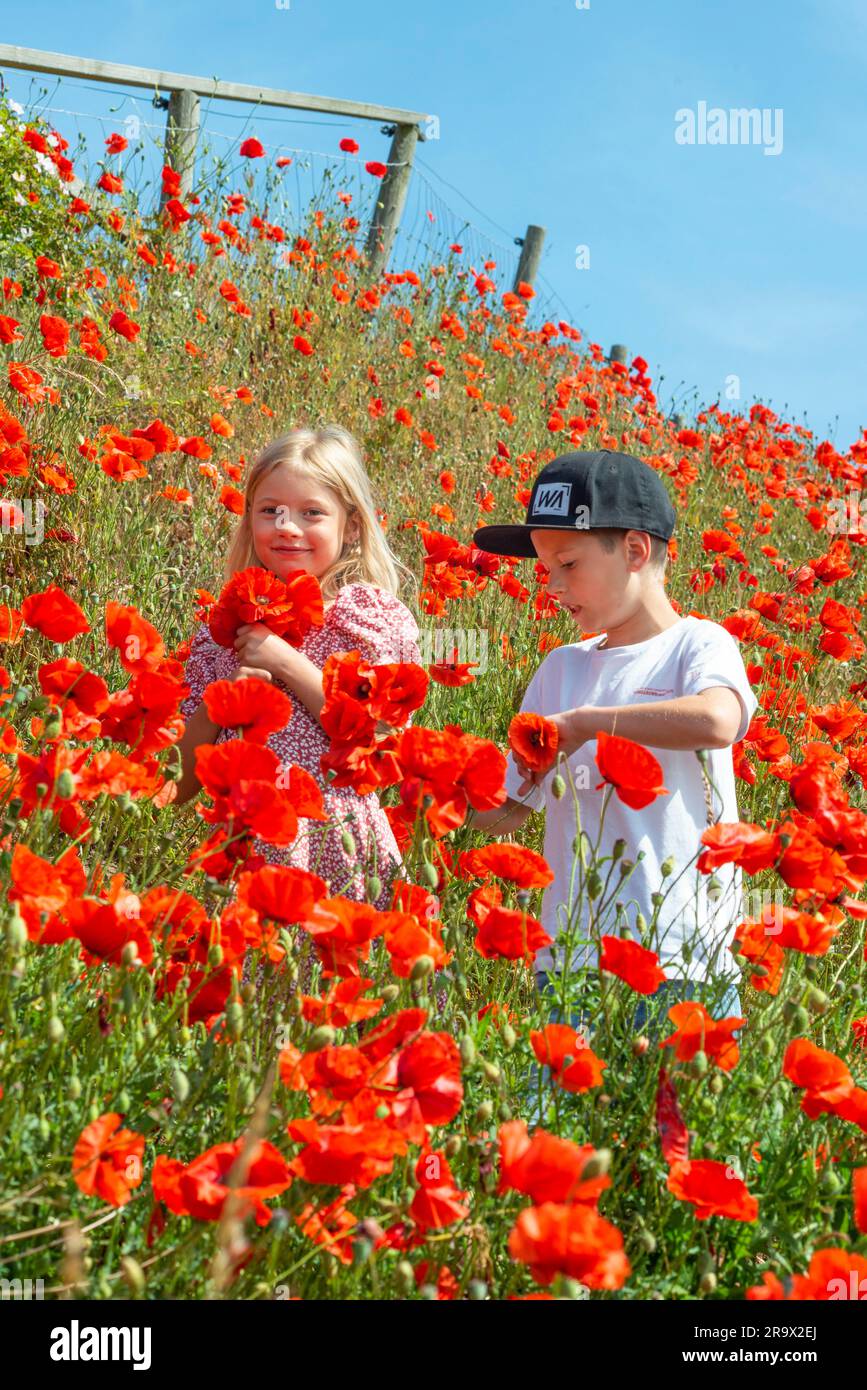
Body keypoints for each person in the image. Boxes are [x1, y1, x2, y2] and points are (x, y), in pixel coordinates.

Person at [467, 448, 758, 1032]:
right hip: (571, 956)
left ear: (634, 551)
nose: (550, 586)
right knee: (564, 1120)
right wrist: (433, 781)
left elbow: (718, 720)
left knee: (674, 1122)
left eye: (567, 564)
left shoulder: (699, 646)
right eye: (544, 569)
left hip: (682, 954)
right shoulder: (560, 669)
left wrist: (589, 725)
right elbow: (503, 815)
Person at [174, 424, 422, 911]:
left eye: (312, 513)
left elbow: (379, 735)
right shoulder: (222, 632)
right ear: (249, 521)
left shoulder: (367, 615)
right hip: (239, 852)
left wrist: (284, 661)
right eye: (271, 511)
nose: (288, 526)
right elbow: (177, 783)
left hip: (339, 846)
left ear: (351, 526)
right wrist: (224, 700)